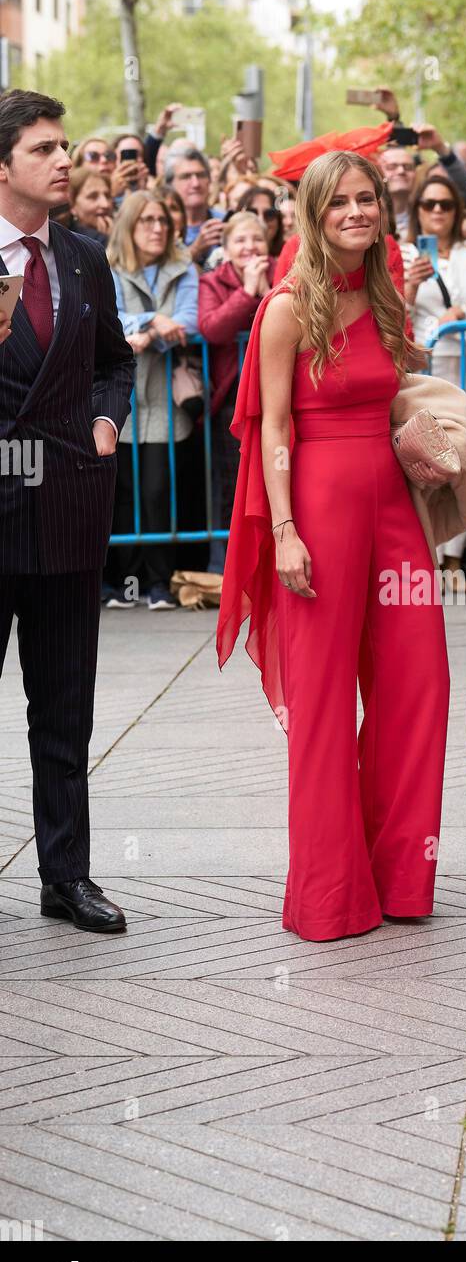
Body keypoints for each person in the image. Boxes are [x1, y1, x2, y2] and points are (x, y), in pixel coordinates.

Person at [216, 150, 450, 941]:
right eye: (340, 202)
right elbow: (271, 427)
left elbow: (397, 382)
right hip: (315, 507)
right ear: (313, 217)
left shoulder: (384, 292)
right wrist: (283, 531)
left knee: (421, 682)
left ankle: (399, 875)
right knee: (320, 708)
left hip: (390, 504)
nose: (357, 211)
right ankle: (329, 895)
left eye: (368, 199)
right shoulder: (288, 306)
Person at [0, 88, 134, 932]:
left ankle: (67, 877)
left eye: (66, 147)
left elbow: (115, 363)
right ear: (3, 163)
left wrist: (107, 417)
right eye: (45, 149)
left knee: (65, 709)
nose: (64, 161)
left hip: (68, 511)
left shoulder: (84, 256)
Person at [105, 190, 199, 611]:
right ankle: (128, 582)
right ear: (129, 226)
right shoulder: (108, 267)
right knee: (124, 490)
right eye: (147, 221)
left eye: (163, 220)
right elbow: (111, 318)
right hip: (122, 394)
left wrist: (149, 333)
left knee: (159, 488)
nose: (158, 228)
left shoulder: (183, 269)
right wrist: (152, 320)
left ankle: (159, 583)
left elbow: (191, 321)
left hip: (164, 395)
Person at [402, 171, 466, 583]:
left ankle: (456, 560)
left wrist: (460, 315)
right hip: (423, 369)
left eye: (446, 204)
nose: (437, 212)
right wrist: (410, 288)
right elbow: (391, 310)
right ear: (417, 210)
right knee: (429, 457)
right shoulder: (403, 253)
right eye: (428, 205)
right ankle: (428, 555)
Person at [198, 211, 276, 573]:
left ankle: (272, 560)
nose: (250, 247)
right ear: (226, 249)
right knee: (231, 483)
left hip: (277, 390)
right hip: (232, 395)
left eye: (256, 239)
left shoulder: (282, 273)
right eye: (241, 241)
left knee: (276, 475)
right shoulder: (213, 282)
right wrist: (247, 293)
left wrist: (267, 295)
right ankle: (224, 566)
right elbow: (212, 328)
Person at [163, 143, 225, 267]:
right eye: (186, 177)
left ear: (209, 180)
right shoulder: (161, 226)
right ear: (169, 184)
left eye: (201, 175)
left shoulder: (225, 221)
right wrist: (195, 249)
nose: (195, 183)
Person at [65, 166, 114, 243]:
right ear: (72, 205)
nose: (105, 204)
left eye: (107, 196)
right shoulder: (65, 242)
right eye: (93, 197)